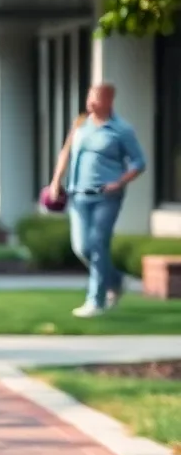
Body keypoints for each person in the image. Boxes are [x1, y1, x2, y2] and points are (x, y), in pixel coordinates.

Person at [48, 83, 146, 317]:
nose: (91, 102)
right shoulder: (81, 123)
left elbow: (139, 162)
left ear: (109, 100)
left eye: (96, 98)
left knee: (98, 245)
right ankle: (116, 280)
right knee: (82, 247)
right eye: (89, 96)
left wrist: (119, 182)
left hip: (107, 197)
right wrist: (55, 181)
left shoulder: (121, 129)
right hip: (78, 195)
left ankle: (96, 301)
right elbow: (66, 152)